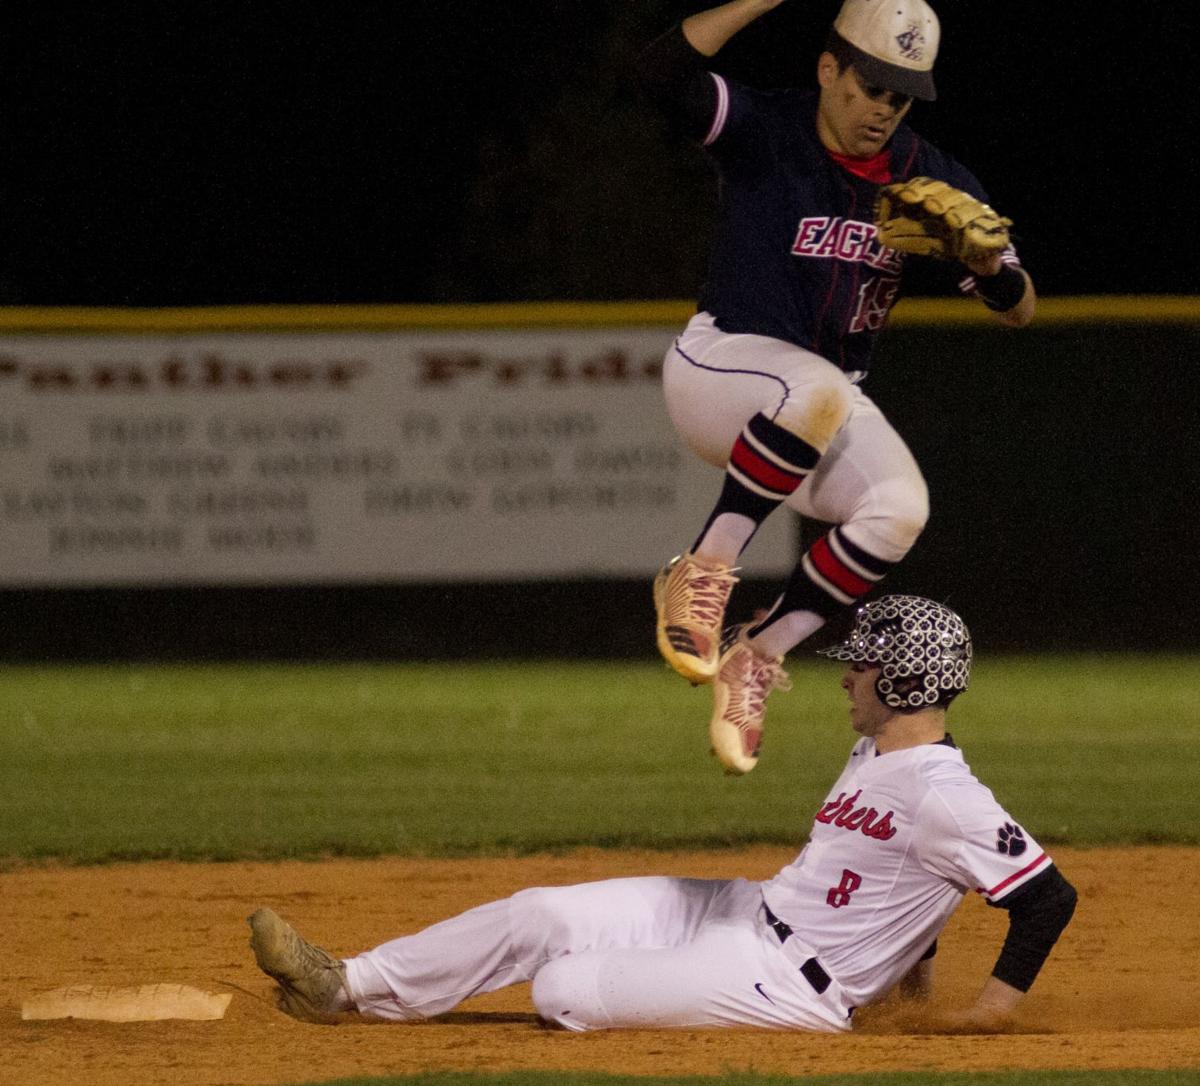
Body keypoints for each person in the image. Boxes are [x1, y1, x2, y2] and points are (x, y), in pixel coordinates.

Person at [247, 596, 1075, 1034]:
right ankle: (344, 985)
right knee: (543, 912)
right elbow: (908, 887)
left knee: (561, 990)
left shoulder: (946, 794)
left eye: (862, 665)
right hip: (751, 909)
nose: (846, 676)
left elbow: (1047, 899)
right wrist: (911, 991)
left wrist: (986, 1018)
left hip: (789, 988)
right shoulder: (879, 755)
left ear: (905, 683)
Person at [642, 0, 1036, 775]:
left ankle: (756, 654)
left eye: (901, 94)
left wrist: (989, 270)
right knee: (816, 390)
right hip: (719, 369)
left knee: (898, 511)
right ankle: (705, 567)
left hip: (816, 410)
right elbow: (658, 76)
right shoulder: (767, 128)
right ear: (828, 69)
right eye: (872, 85)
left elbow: (1020, 306)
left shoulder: (929, 174)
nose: (884, 108)